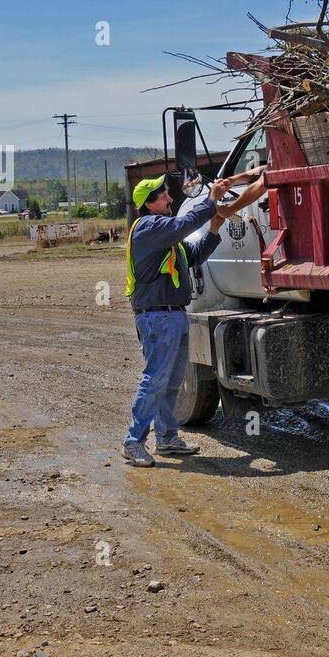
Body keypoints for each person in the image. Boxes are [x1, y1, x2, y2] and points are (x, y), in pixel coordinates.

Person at [122, 169, 269, 467]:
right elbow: (183, 224)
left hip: (173, 316)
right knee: (155, 379)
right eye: (164, 196)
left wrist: (215, 226)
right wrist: (211, 200)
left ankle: (166, 439)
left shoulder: (165, 238)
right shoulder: (148, 229)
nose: (170, 198)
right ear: (150, 204)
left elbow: (196, 254)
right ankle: (133, 441)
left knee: (172, 381)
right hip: (156, 318)